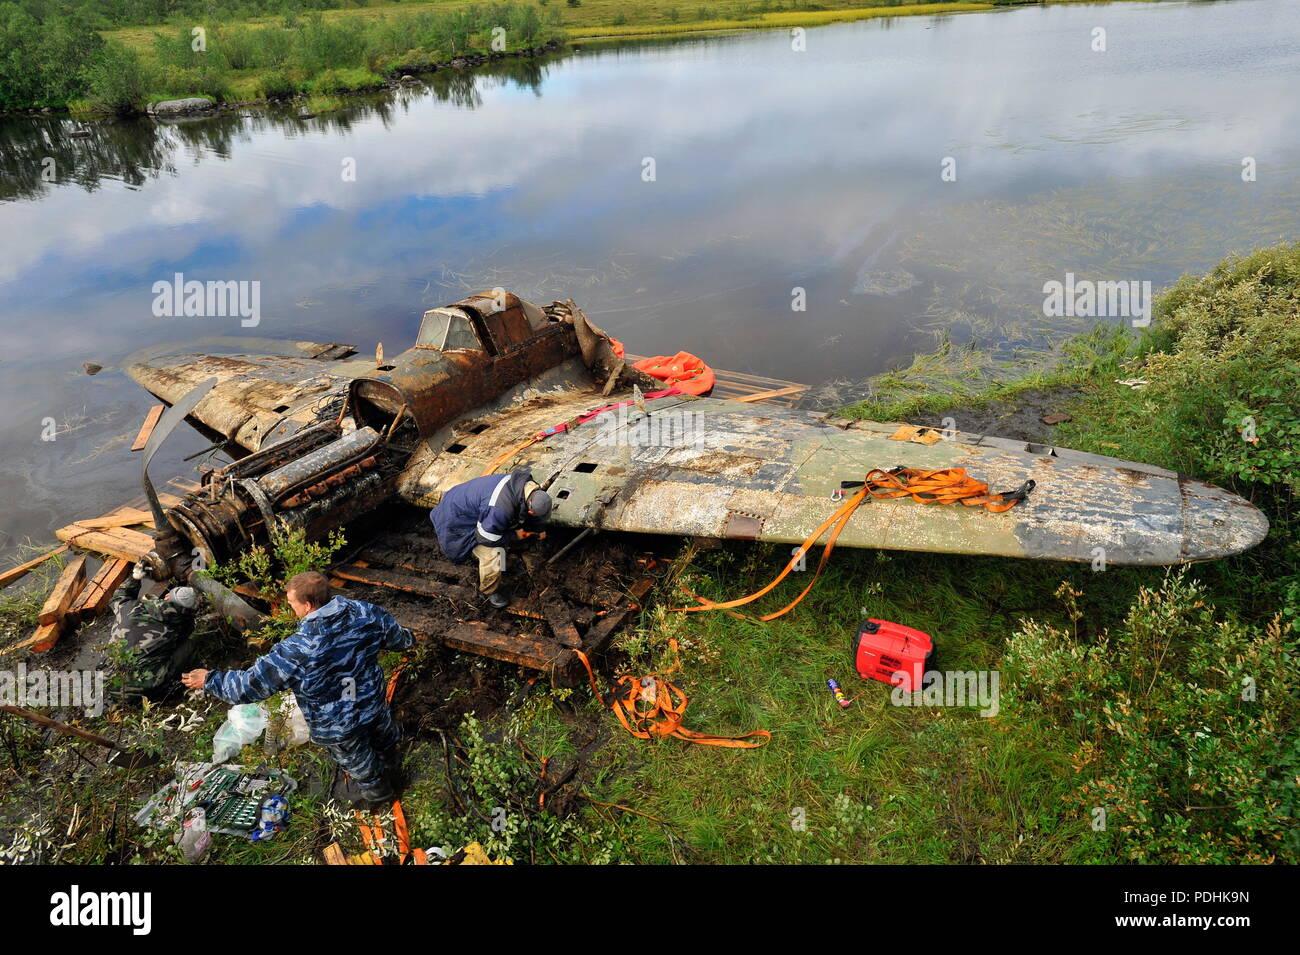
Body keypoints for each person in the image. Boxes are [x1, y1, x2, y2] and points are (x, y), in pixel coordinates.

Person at [180, 571, 414, 808]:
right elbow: (401, 640)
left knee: (357, 759)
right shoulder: (366, 612)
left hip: (338, 723)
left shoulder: (297, 649)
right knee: (383, 736)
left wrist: (209, 679)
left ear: (309, 605)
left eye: (292, 604)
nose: (291, 608)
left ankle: (380, 793)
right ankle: (392, 761)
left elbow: (248, 687)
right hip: (372, 702)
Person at [429, 469, 553, 608]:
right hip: (456, 523)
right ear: (531, 510)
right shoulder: (500, 508)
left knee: (504, 528)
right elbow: (485, 538)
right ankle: (489, 590)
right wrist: (514, 536)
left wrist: (539, 529)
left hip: (465, 505)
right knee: (496, 553)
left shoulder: (527, 487)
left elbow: (527, 513)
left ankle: (502, 559)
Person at [108, 562, 199, 702]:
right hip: (140, 692)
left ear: (168, 597)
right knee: (191, 644)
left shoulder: (129, 607)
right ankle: (165, 690)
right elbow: (186, 630)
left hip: (108, 681)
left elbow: (118, 596)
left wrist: (135, 578)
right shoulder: (180, 624)